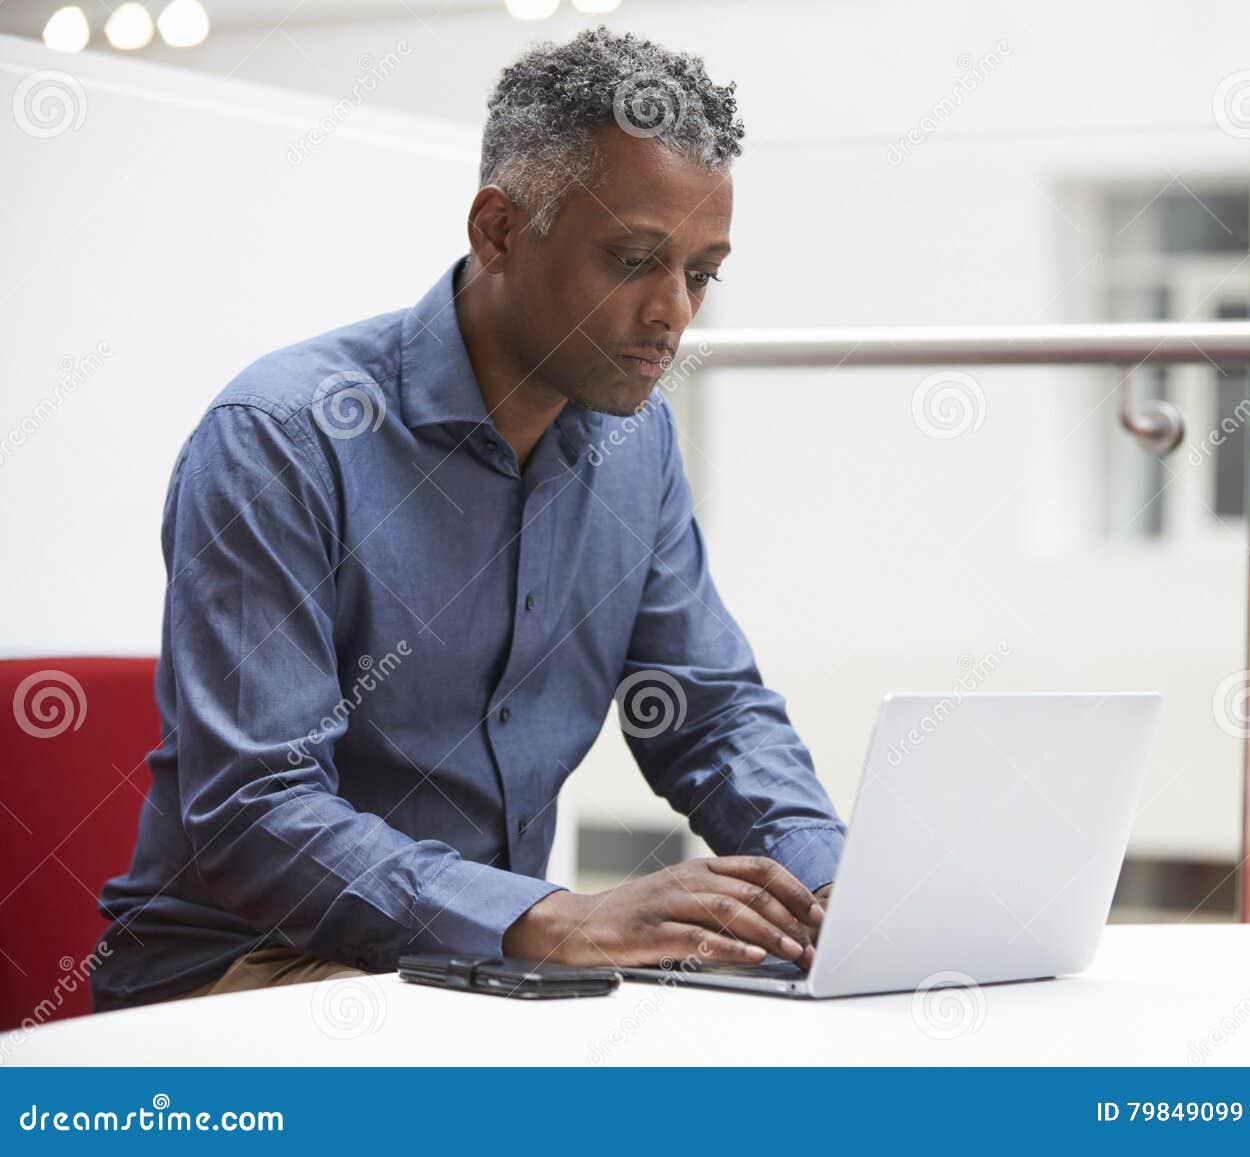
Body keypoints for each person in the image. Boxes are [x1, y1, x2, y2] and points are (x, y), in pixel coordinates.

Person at [90, 26, 844, 1012]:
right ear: (498, 229)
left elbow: (706, 712)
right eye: (632, 260)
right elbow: (256, 813)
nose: (673, 313)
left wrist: (827, 887)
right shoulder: (283, 436)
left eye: (700, 273)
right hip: (243, 973)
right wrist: (551, 919)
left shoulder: (636, 445)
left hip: (482, 974)